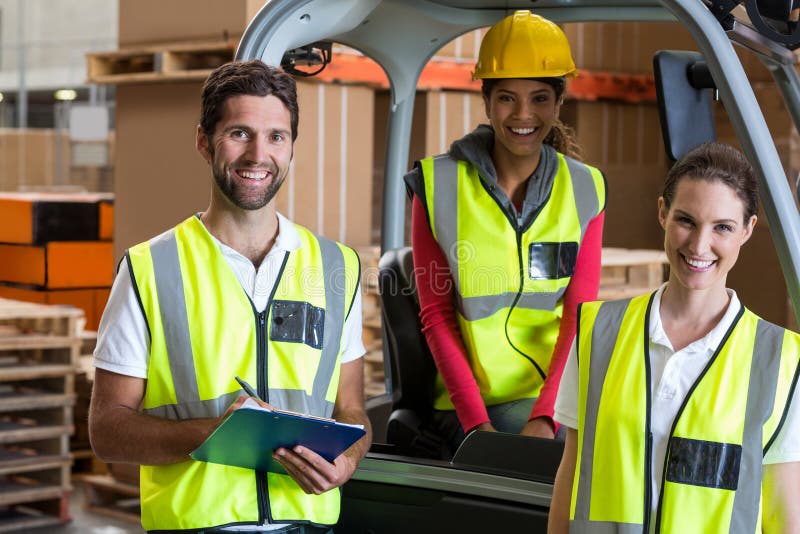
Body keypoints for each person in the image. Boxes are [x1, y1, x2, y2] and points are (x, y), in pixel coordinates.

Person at [89, 60, 371, 533]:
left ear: (291, 147)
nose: (258, 155)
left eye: (276, 137)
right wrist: (213, 433)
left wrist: (348, 460)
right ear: (204, 141)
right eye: (240, 133)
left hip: (308, 525)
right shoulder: (150, 269)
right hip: (198, 526)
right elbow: (107, 432)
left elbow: (353, 411)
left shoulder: (336, 266)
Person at [548, 142, 800, 533]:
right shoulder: (598, 333)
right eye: (686, 220)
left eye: (722, 227)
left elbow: (784, 514)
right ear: (663, 212)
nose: (699, 245)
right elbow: (571, 472)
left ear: (747, 231)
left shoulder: (779, 359)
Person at [404, 10, 606, 451]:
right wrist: (478, 426)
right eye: (507, 98)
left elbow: (577, 316)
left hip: (551, 395)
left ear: (558, 103)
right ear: (488, 101)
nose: (523, 114)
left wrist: (547, 415)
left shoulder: (586, 189)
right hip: (469, 403)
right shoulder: (437, 186)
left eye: (538, 98)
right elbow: (437, 317)